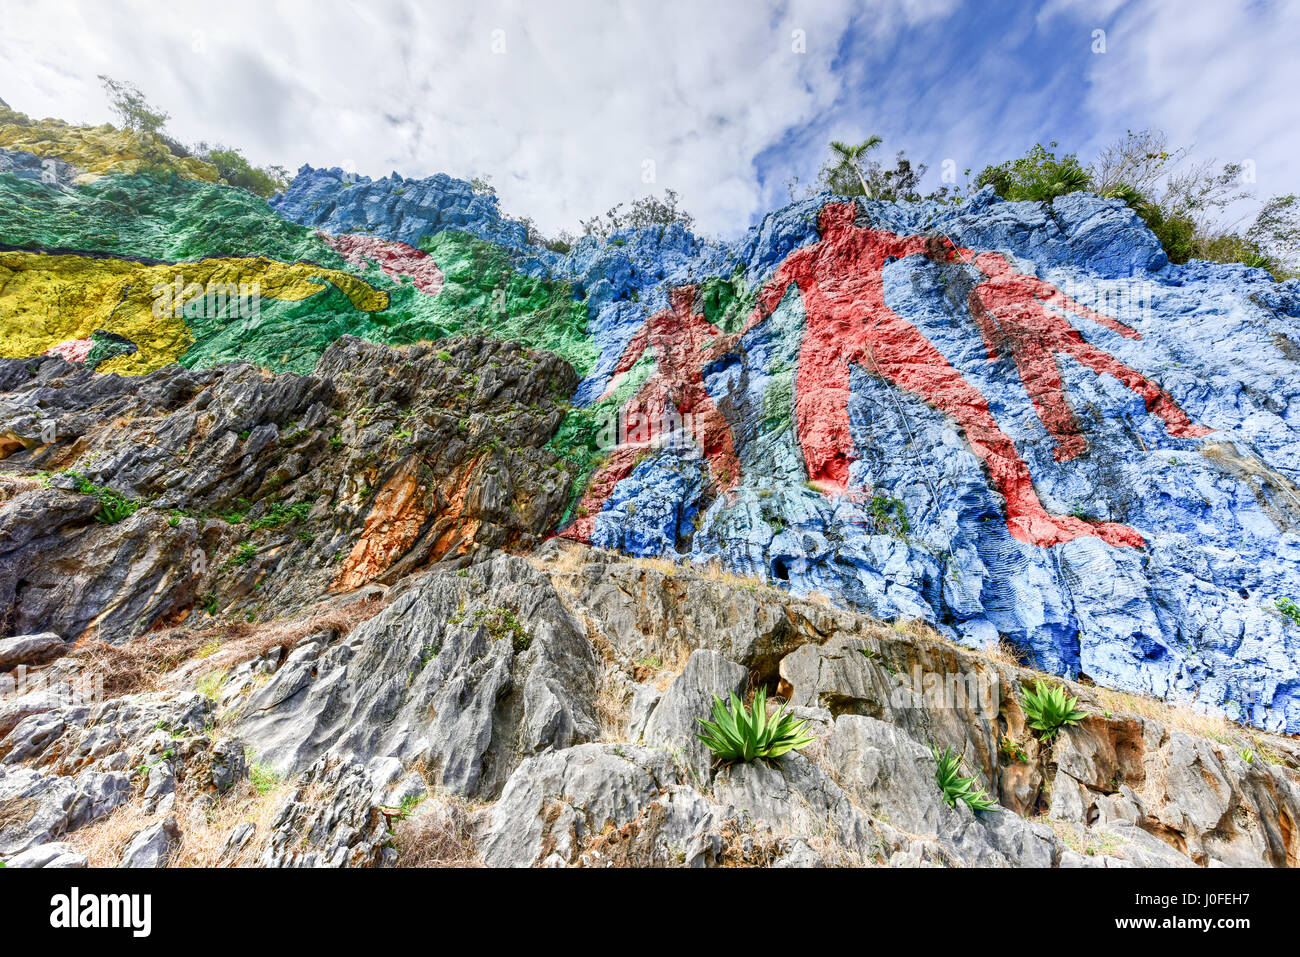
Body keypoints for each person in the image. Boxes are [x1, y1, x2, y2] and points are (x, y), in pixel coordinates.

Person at [742, 201, 1145, 548]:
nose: (838, 219)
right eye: (831, 216)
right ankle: (834, 487)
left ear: (849, 215)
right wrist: (732, 333)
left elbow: (911, 246)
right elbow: (767, 298)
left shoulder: (869, 239)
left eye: (843, 213)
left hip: (875, 324)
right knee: (816, 407)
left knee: (960, 394)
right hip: (826, 333)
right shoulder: (807, 257)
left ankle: (1022, 502)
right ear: (825, 224)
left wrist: (947, 249)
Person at [967, 251, 1212, 463]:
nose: (997, 266)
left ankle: (1178, 423)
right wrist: (992, 353)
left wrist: (1114, 325)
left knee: (1116, 370)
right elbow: (986, 326)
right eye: (989, 263)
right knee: (1045, 395)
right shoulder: (980, 292)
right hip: (1025, 343)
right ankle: (1072, 443)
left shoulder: (1024, 281)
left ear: (1005, 263)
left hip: (1056, 330)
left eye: (997, 261)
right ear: (983, 269)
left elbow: (1072, 306)